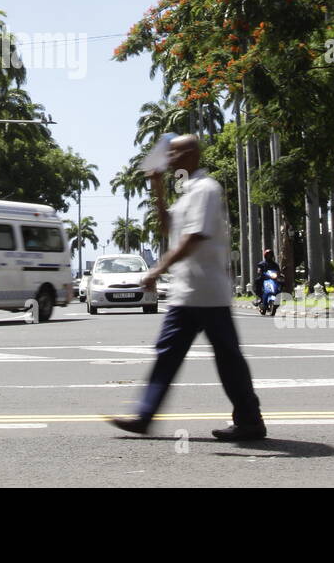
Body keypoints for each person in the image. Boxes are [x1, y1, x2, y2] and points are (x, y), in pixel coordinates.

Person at [109, 135, 267, 442]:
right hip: (186, 293)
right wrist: (156, 189)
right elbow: (170, 229)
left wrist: (156, 269)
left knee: (228, 359)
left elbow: (194, 237)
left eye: (175, 153)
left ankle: (250, 421)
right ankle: (145, 416)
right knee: (168, 354)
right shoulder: (187, 193)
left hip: (208, 292)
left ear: (191, 155)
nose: (169, 158)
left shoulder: (207, 189)